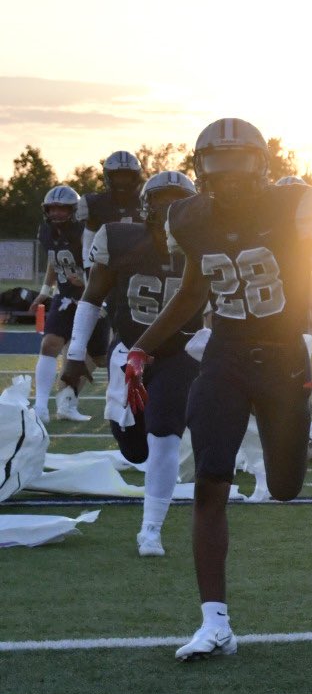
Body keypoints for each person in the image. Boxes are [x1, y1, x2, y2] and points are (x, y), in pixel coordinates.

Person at [126, 118, 312, 660]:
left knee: (284, 487)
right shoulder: (187, 215)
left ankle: (284, 459)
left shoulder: (294, 204)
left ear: (260, 164)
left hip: (282, 360)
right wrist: (143, 347)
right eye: (216, 163)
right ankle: (215, 624)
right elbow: (190, 293)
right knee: (210, 483)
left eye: (239, 163)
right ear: (201, 167)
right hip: (224, 356)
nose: (228, 175)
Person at [62, 171, 203, 557]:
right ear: (146, 206)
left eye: (179, 200)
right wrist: (75, 355)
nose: (171, 208)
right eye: (163, 200)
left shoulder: (205, 245)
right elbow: (92, 297)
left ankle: (150, 531)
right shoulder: (120, 238)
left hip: (179, 353)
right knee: (135, 450)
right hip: (127, 350)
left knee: (165, 435)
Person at [29, 184, 98, 422]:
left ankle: (67, 400)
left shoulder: (85, 232)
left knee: (96, 356)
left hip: (92, 299)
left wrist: (86, 280)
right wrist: (45, 292)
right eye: (53, 209)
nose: (56, 213)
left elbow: (102, 264)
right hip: (65, 297)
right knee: (50, 344)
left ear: (73, 210)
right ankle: (40, 407)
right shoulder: (46, 231)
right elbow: (53, 259)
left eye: (62, 209)